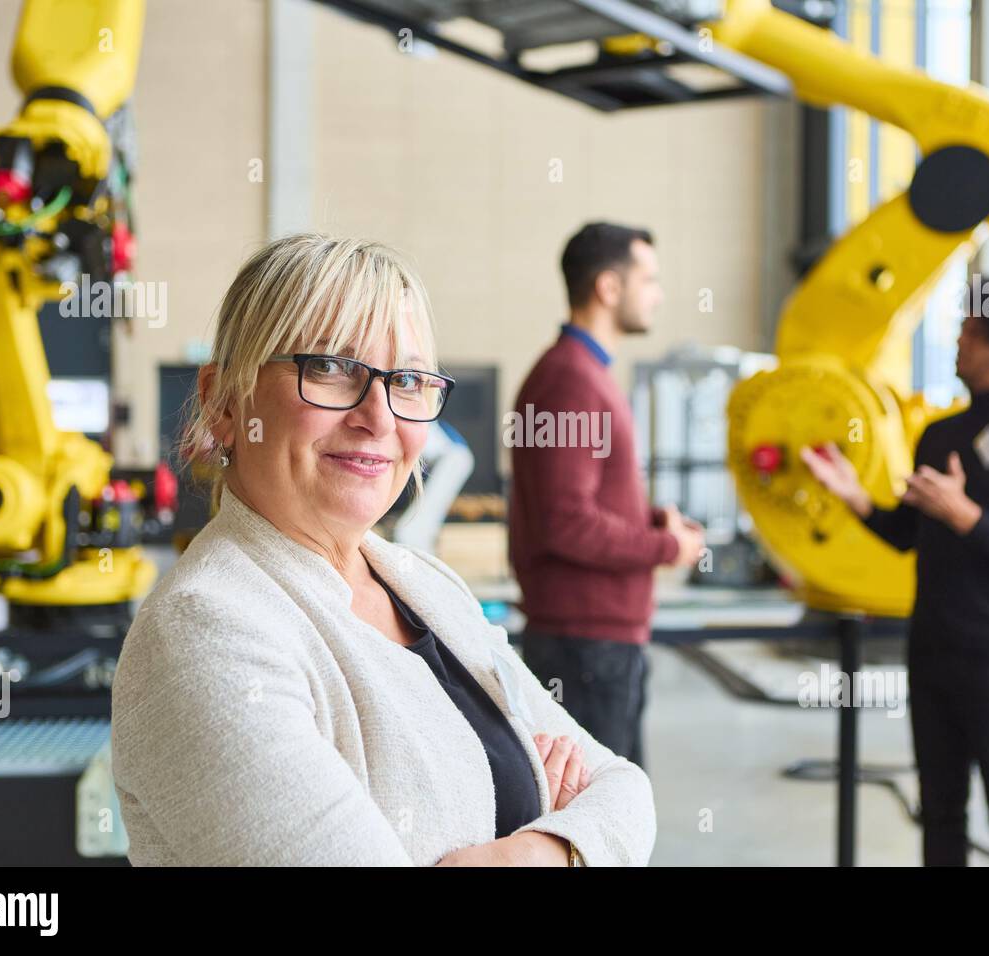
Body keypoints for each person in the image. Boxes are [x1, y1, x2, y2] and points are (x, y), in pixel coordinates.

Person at [111, 234, 656, 866]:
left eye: (409, 380)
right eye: (331, 368)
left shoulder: (425, 584)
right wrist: (565, 830)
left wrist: (534, 853)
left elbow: (625, 788)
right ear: (224, 402)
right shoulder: (208, 633)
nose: (380, 416)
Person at [802, 276, 989, 866]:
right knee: (940, 810)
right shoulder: (939, 436)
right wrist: (855, 496)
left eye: (971, 331)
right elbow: (907, 533)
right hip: (932, 654)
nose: (958, 339)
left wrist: (967, 514)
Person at [508, 222, 705, 771]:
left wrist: (651, 521)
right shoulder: (572, 381)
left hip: (594, 643)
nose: (658, 294)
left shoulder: (583, 374)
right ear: (608, 288)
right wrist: (667, 548)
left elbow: (581, 503)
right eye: (649, 279)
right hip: (586, 646)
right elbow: (566, 522)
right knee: (599, 825)